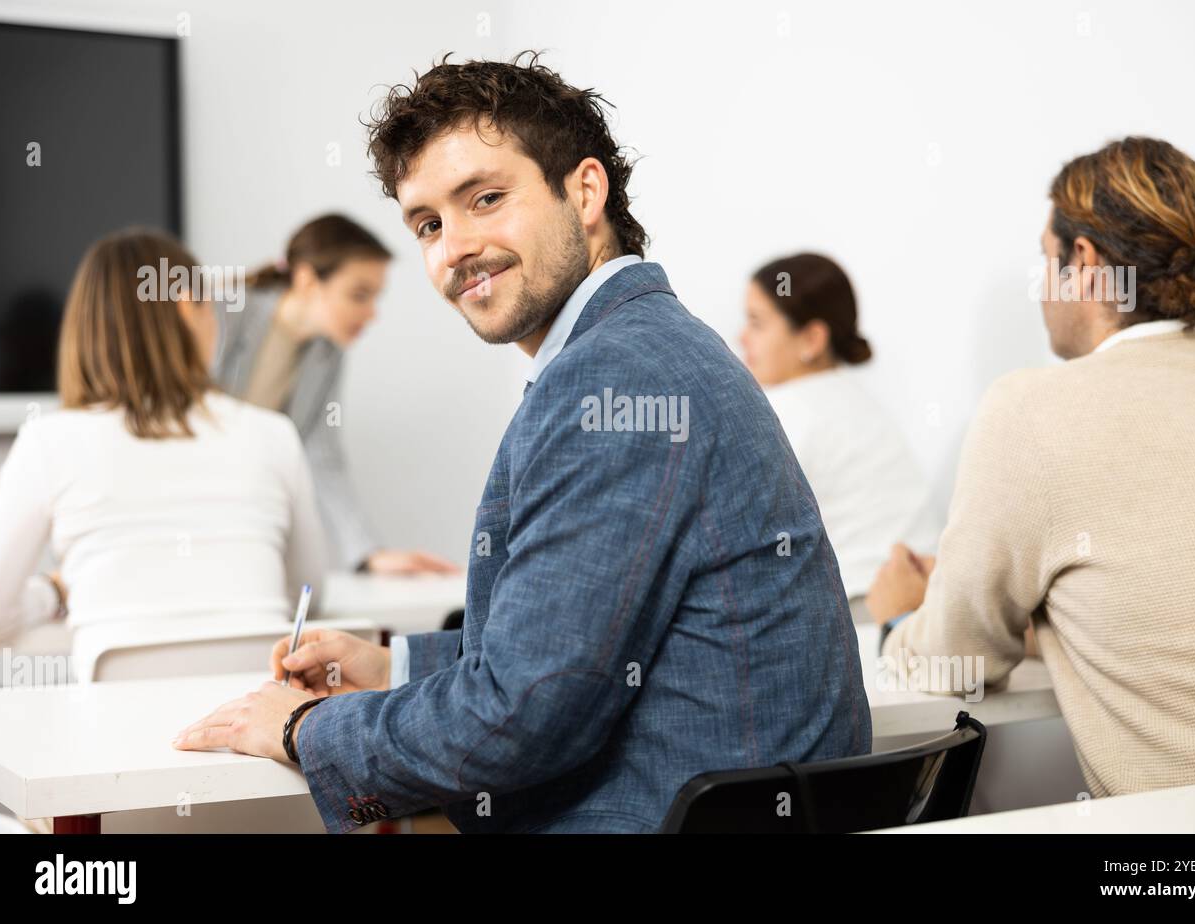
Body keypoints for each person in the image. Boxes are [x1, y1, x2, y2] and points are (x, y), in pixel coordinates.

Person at [176, 52, 870, 834]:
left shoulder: (615, 379)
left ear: (584, 191)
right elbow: (573, 649)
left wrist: (301, 732)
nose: (454, 248)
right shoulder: (650, 346)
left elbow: (518, 716)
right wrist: (391, 666)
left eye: (486, 198)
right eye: (430, 224)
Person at [867, 136, 1195, 797]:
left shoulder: (1032, 409)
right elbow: (1168, 627)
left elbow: (960, 663)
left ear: (1084, 261)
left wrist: (899, 619)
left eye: (1045, 259)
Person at [0, 229, 327, 680]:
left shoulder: (48, 441)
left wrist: (54, 594)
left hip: (110, 736)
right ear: (188, 308)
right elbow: (307, 592)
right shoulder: (273, 434)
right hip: (257, 732)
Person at [213, 213, 456, 575]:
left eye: (375, 297)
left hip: (242, 510)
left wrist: (368, 554)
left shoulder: (327, 353)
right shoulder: (225, 312)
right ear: (307, 280)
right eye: (359, 295)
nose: (371, 314)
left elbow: (320, 454)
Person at [741, 252, 937, 613]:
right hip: (913, 616)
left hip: (857, 625)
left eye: (757, 324)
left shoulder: (786, 409)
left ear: (812, 339)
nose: (742, 338)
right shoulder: (860, 404)